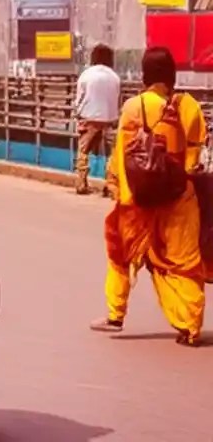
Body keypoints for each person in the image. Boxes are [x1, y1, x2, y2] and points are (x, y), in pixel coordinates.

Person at [91, 47, 206, 347]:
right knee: (183, 263)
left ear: (144, 75)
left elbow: (121, 154)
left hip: (137, 203)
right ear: (172, 75)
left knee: (119, 254)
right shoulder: (189, 106)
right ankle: (190, 325)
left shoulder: (134, 107)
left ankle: (115, 314)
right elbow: (195, 158)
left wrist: (115, 184)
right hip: (179, 199)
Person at [74, 44, 121, 196]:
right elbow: (117, 99)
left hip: (89, 117)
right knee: (111, 153)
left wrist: (77, 113)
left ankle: (81, 182)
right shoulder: (115, 77)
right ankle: (109, 185)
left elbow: (79, 98)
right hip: (110, 118)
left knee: (83, 151)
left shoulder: (86, 75)